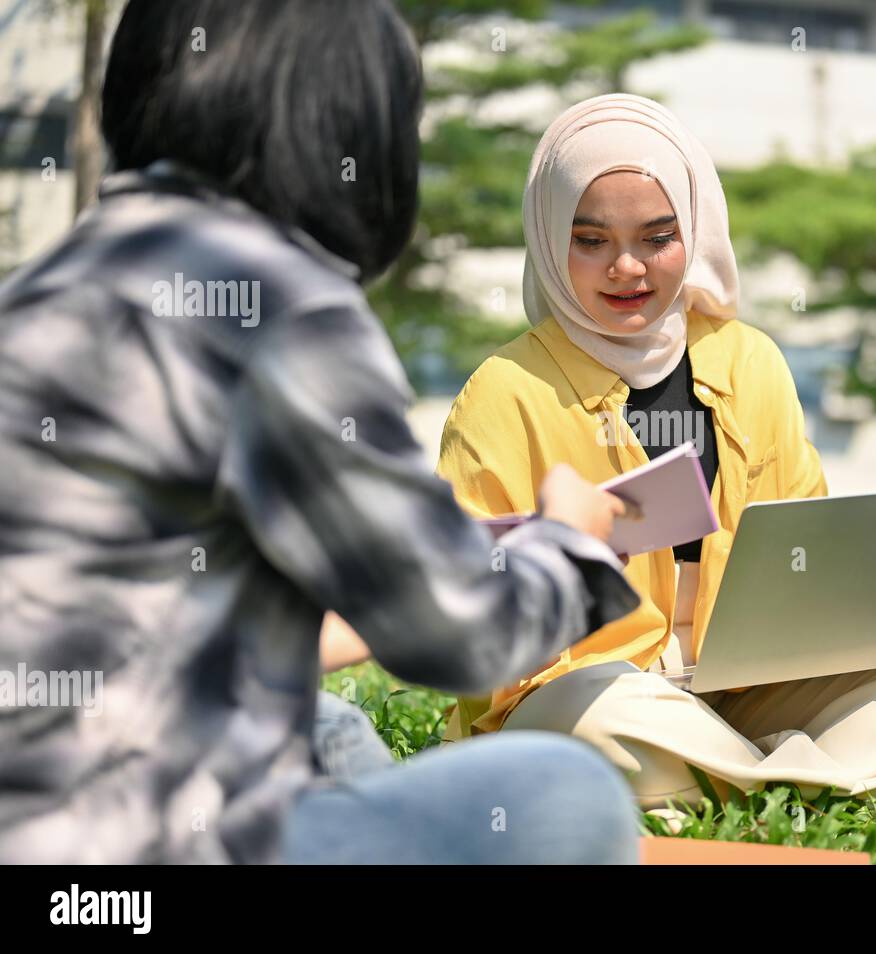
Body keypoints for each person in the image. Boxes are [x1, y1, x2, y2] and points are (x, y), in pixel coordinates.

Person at [0, 0, 645, 865]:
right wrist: (571, 542)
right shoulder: (278, 297)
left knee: (331, 730)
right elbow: (462, 635)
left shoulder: (41, 288)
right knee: (568, 793)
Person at [424, 94, 876, 811]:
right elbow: (459, 616)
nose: (627, 268)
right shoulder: (503, 393)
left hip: (752, 684)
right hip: (601, 691)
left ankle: (733, 785)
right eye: (592, 240)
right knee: (594, 716)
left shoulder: (749, 362)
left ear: (694, 234)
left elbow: (814, 554)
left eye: (657, 236)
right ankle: (809, 786)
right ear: (549, 239)